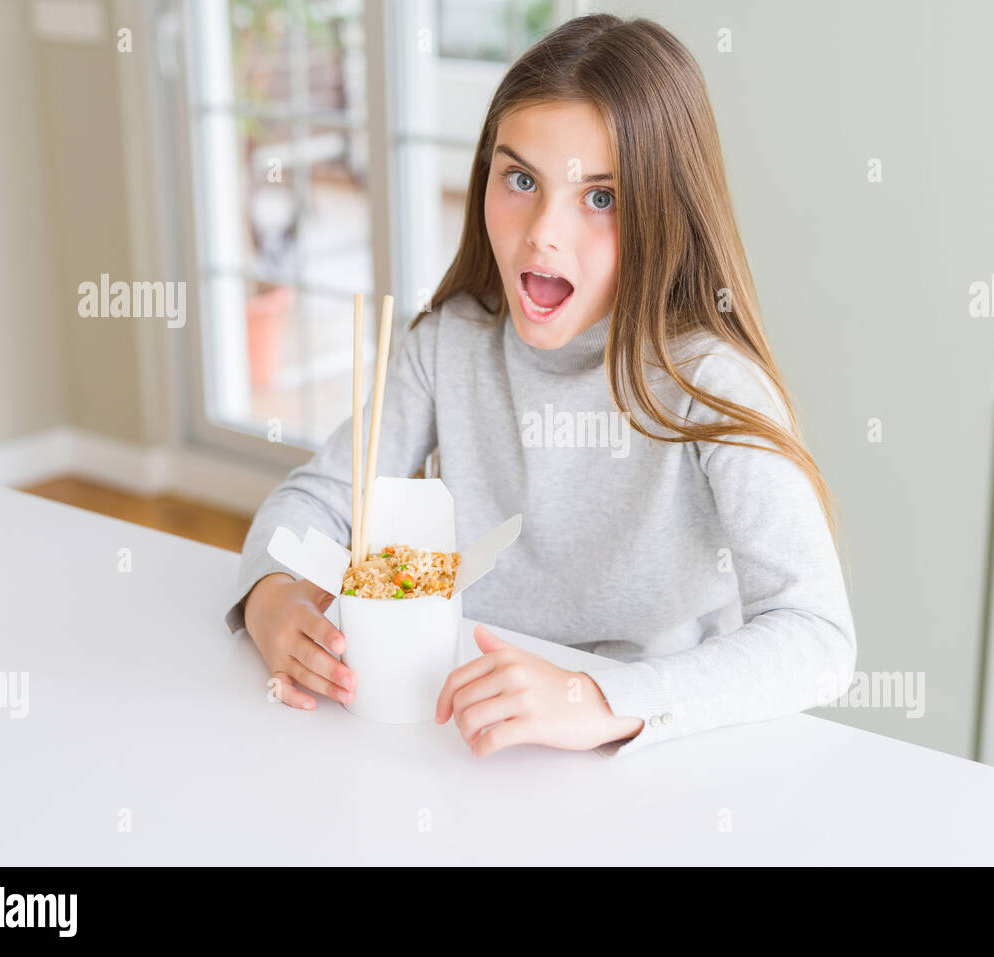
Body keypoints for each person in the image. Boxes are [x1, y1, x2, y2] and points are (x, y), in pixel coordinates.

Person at [224, 13, 857, 759]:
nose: (542, 234)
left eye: (600, 197)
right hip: (471, 740)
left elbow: (817, 637)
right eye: (520, 178)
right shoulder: (449, 346)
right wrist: (273, 596)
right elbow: (314, 502)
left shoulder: (713, 387)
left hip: (656, 756)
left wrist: (597, 699)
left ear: (667, 212)